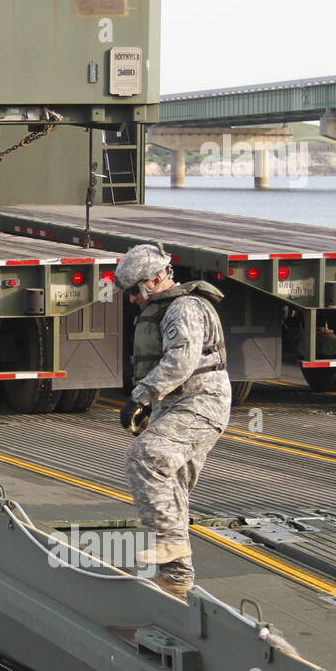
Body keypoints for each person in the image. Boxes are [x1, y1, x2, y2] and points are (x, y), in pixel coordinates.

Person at [114, 243, 232, 599]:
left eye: (135, 290)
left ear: (153, 280)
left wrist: (141, 395)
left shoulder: (184, 308)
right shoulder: (169, 309)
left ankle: (170, 544)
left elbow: (182, 361)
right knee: (171, 484)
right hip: (180, 404)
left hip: (201, 403)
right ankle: (176, 579)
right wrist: (152, 403)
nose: (133, 299)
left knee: (146, 456)